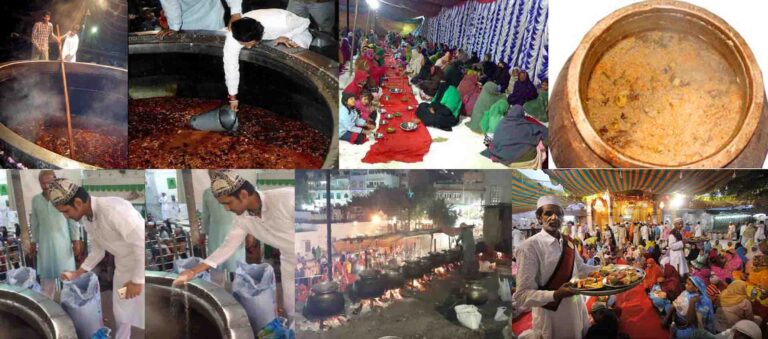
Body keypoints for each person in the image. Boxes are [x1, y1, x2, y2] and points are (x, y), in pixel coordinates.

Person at [172, 171, 296, 323]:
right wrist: (192, 271)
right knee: (292, 308)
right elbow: (227, 247)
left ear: (243, 194)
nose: (226, 209)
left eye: (228, 203)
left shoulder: (287, 198)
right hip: (289, 262)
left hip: (315, 256)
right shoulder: (243, 219)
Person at [52, 178, 145, 339]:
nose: (66, 217)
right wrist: (77, 273)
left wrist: (138, 280)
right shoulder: (87, 219)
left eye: (66, 211)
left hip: (141, 265)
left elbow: (141, 242)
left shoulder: (114, 210)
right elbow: (98, 251)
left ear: (79, 202)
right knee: (121, 310)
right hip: (122, 267)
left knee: (147, 308)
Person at [513, 195, 599, 338]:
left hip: (576, 308)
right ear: (539, 218)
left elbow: (580, 269)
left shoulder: (569, 242)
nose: (554, 217)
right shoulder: (529, 247)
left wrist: (605, 270)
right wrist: (555, 294)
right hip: (551, 316)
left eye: (558, 213)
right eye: (548, 213)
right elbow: (522, 295)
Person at [224, 9, 312, 112]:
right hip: (270, 35)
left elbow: (306, 22)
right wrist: (233, 96)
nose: (248, 48)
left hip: (295, 32)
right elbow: (230, 66)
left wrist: (286, 36)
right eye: (244, 44)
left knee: (294, 58)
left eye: (250, 44)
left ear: (259, 36)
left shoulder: (282, 21)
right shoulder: (234, 34)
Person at [29, 170, 82, 299]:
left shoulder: (63, 196)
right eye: (43, 183)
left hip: (63, 246)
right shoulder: (36, 200)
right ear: (39, 183)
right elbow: (34, 223)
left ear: (55, 181)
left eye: (49, 183)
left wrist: (76, 240)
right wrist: (33, 242)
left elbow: (72, 220)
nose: (46, 186)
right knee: (47, 284)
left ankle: (70, 309)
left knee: (68, 281)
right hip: (45, 247)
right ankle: (48, 312)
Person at [200, 170, 245, 287]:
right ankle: (235, 294)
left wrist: (203, 234)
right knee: (234, 268)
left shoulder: (208, 193)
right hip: (231, 232)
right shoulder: (235, 191)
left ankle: (219, 295)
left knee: (217, 266)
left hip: (220, 234)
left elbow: (205, 217)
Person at [157, 0, 242, 37]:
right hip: (184, 19)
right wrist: (174, 27)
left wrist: (236, 13)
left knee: (214, 50)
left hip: (211, 14)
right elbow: (170, 3)